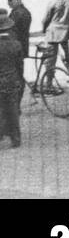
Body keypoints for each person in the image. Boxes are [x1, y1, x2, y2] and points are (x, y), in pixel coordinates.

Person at [0, 15, 20, 149]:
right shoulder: (16, 44)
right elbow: (20, 66)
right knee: (12, 109)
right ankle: (15, 138)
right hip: (12, 80)